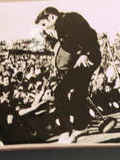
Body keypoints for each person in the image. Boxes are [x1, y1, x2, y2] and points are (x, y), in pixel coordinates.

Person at [36, 7, 102, 143]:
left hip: (88, 58)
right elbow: (65, 48)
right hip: (82, 60)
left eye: (44, 24)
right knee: (78, 94)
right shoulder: (60, 28)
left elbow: (90, 34)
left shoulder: (70, 19)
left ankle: (66, 131)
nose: (44, 27)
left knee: (60, 92)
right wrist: (47, 37)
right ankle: (80, 125)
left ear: (51, 17)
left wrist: (85, 53)